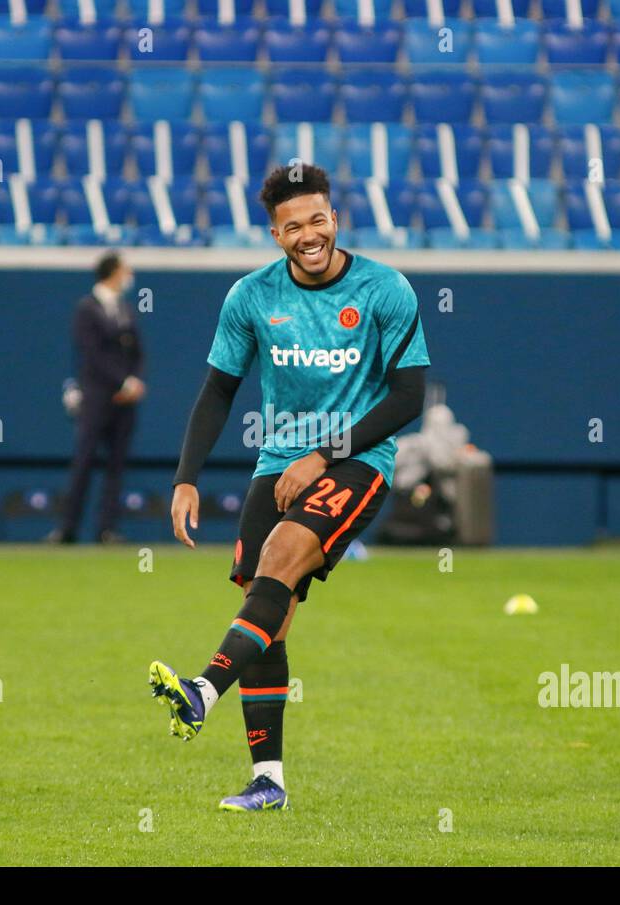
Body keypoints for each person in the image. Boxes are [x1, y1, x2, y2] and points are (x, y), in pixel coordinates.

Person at [147, 162, 430, 811]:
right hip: (276, 463)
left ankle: (202, 691)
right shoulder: (251, 296)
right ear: (276, 234)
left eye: (318, 219)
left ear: (335, 218)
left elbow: (408, 396)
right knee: (265, 610)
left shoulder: (385, 289)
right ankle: (268, 781)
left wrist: (324, 454)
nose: (309, 234)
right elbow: (218, 389)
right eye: (293, 225)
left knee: (278, 558)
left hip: (358, 459)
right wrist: (186, 479)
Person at [50, 251, 145, 544]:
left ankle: (107, 528)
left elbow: (137, 351)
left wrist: (135, 382)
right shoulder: (86, 309)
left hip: (123, 402)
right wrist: (123, 380)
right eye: (125, 270)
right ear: (113, 272)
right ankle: (68, 528)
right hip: (96, 398)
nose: (129, 275)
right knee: (84, 463)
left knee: (116, 466)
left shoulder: (125, 308)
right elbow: (93, 354)